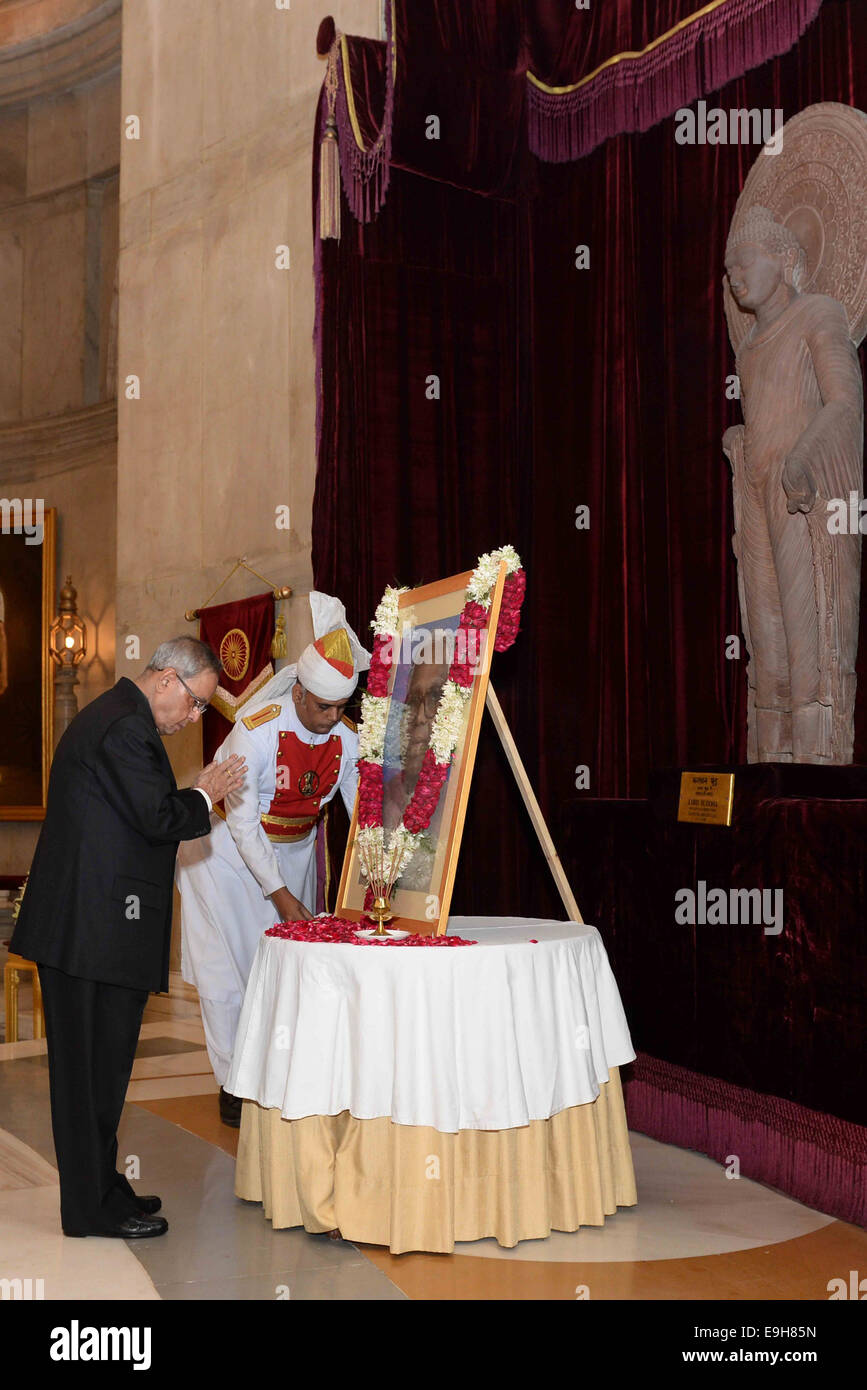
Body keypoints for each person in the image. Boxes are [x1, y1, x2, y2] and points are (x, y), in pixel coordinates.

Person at [10, 637, 247, 1238]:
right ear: (167, 679)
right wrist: (203, 794)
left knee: (104, 1071)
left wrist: (194, 793)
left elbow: (136, 813)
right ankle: (88, 1209)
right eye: (195, 704)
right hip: (88, 934)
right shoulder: (123, 727)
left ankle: (104, 1190)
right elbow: (157, 817)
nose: (193, 718)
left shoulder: (123, 719)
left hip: (96, 930)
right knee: (88, 1074)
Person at [176, 595, 369, 1124]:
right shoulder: (254, 729)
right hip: (221, 859)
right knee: (230, 973)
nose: (333, 719)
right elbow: (240, 821)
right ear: (300, 692)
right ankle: (234, 1082)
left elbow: (359, 810)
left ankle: (279, 1072)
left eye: (341, 709)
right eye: (324, 708)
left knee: (281, 969)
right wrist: (279, 894)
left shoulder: (347, 737)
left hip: (293, 851)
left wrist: (377, 868)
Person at [723, 205, 863, 763]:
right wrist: (741, 440)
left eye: (744, 261)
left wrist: (805, 457)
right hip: (759, 491)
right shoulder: (748, 347)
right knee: (766, 633)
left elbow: (846, 402)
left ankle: (818, 757)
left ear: (783, 259)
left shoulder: (820, 315)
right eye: (728, 269)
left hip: (804, 487)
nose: (734, 276)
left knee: (811, 630)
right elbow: (762, 418)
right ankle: (771, 758)